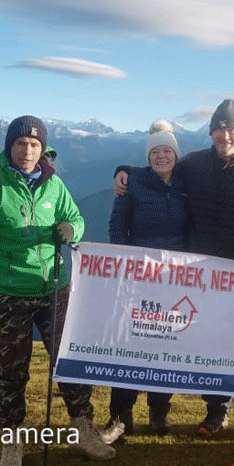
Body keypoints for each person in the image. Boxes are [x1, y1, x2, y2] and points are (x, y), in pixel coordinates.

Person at [115, 99, 234, 438]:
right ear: (211, 132)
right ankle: (217, 412)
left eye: (231, 128)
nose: (225, 134)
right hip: (205, 274)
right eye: (219, 128)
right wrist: (123, 171)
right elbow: (158, 168)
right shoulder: (193, 164)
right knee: (212, 343)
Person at [0, 115, 115, 466]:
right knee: (13, 372)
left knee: (70, 361)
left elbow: (76, 219)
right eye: (20, 144)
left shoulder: (55, 186)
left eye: (34, 145)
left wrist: (71, 228)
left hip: (54, 290)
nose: (27, 151)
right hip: (10, 294)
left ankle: (83, 430)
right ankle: (12, 442)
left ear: (43, 149)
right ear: (9, 148)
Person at [100, 120, 189, 443]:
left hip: (176, 276)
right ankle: (120, 417)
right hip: (138, 277)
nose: (161, 156)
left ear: (176, 154)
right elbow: (116, 227)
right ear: (147, 156)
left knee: (165, 343)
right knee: (129, 344)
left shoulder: (187, 181)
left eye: (167, 150)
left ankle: (158, 412)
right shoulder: (132, 182)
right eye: (155, 151)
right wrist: (125, 264)